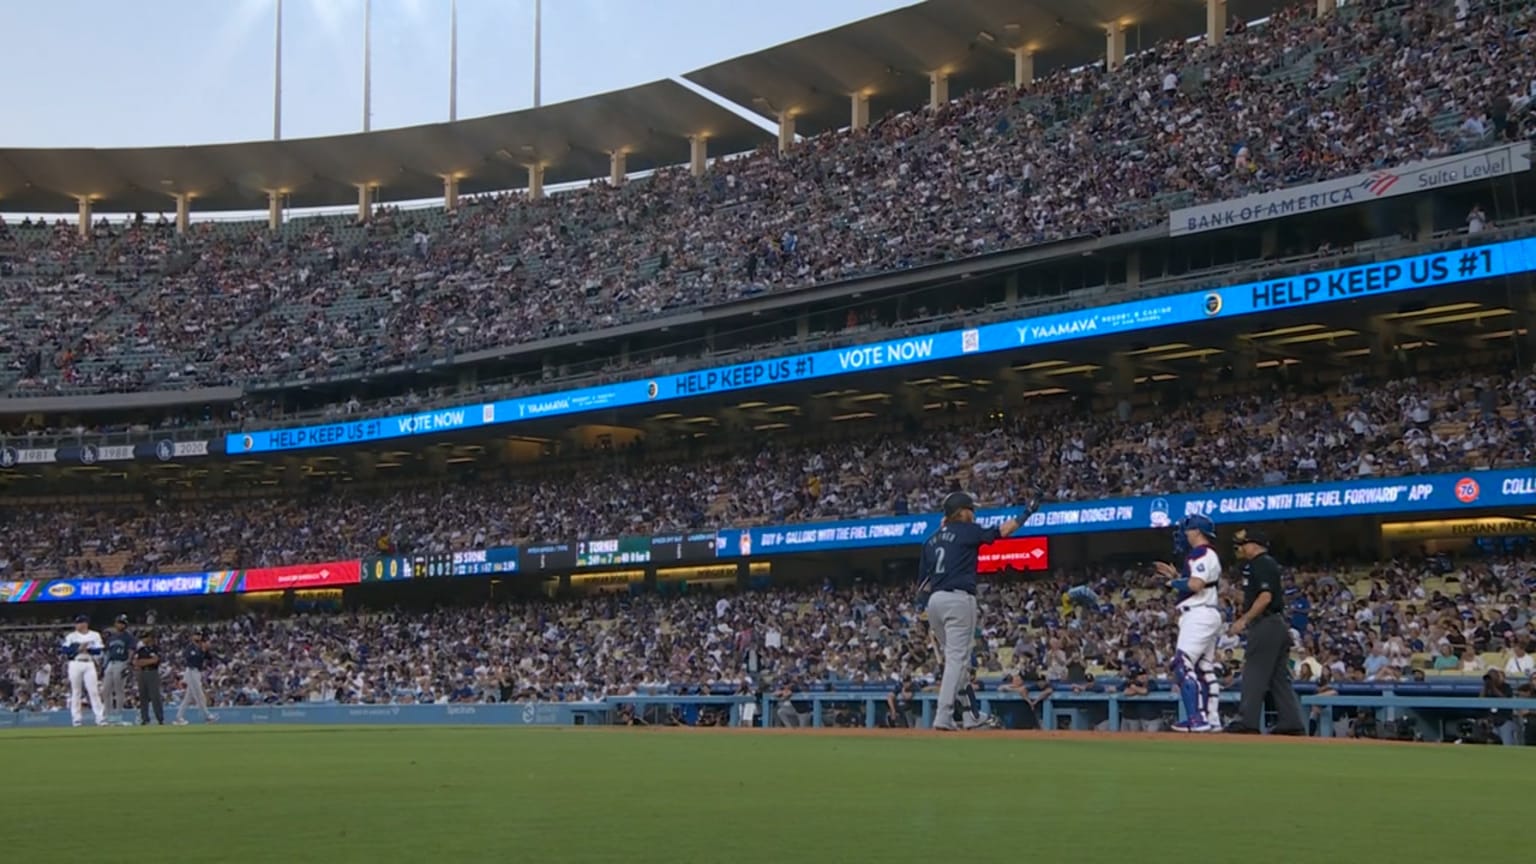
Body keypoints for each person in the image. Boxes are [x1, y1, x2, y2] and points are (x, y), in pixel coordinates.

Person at [918, 489, 1038, 732]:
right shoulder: (967, 529)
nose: (973, 514)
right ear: (961, 512)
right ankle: (943, 715)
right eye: (970, 510)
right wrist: (1027, 513)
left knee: (958, 663)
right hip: (958, 599)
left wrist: (921, 610)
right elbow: (1003, 531)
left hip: (934, 602)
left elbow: (922, 584)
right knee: (957, 660)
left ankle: (971, 714)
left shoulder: (930, 540)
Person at [1227, 528, 1305, 735]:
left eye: (1244, 544)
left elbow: (1265, 598)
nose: (1241, 548)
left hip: (1266, 624)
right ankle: (1291, 722)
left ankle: (1247, 721)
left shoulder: (1261, 563)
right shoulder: (1260, 565)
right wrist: (1227, 591)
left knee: (1254, 672)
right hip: (1274, 624)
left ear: (1254, 545)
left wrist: (1243, 620)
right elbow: (1253, 598)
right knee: (1278, 678)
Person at [1154, 514, 1223, 732]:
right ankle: (1211, 718)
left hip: (1198, 613)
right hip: (1207, 612)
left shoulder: (1200, 553)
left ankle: (1196, 718)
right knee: (1203, 668)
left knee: (1182, 664)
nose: (1184, 534)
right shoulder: (1208, 554)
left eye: (1187, 530)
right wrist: (1177, 576)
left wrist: (1172, 582)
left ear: (1197, 532)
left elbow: (1195, 585)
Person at [62, 614, 107, 728]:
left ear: (85, 624)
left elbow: (99, 650)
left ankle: (100, 718)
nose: (77, 625)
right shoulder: (72, 636)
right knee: (76, 692)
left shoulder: (94, 635)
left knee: (93, 691)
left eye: (79, 623)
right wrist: (78, 648)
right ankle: (76, 719)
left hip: (89, 663)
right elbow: (65, 650)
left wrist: (87, 648)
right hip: (75, 663)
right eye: (77, 623)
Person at [174, 631, 218, 726]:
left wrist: (206, 650)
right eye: (196, 635)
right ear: (192, 636)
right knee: (199, 695)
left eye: (199, 635)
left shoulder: (200, 647)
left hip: (197, 672)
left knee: (188, 697)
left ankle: (179, 717)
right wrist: (202, 651)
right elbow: (191, 659)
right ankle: (207, 716)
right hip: (191, 671)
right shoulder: (190, 647)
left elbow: (209, 658)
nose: (198, 637)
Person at [102, 614, 134, 718]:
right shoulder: (112, 637)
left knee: (118, 689)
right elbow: (107, 652)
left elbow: (131, 651)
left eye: (122, 623)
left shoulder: (128, 637)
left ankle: (119, 714)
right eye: (119, 622)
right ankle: (108, 714)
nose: (120, 625)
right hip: (111, 663)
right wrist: (104, 665)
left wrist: (128, 663)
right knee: (106, 690)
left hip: (121, 662)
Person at [134, 630, 165, 726]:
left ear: (150, 638)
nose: (143, 640)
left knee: (155, 696)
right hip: (142, 673)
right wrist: (148, 661)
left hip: (152, 672)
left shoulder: (155, 648)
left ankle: (160, 718)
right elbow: (136, 662)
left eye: (145, 637)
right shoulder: (141, 649)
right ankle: (144, 718)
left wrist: (144, 662)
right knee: (143, 696)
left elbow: (156, 660)